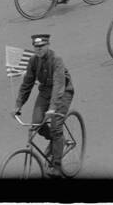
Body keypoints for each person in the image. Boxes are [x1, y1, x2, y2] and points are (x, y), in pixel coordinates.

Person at [13, 33, 74, 177]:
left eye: (41, 46)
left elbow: (59, 85)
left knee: (56, 127)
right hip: (45, 92)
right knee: (36, 125)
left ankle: (57, 165)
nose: (39, 49)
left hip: (63, 92)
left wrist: (53, 107)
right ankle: (56, 142)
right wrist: (18, 105)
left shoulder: (56, 60)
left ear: (48, 45)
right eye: (36, 47)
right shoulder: (33, 61)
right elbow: (27, 83)